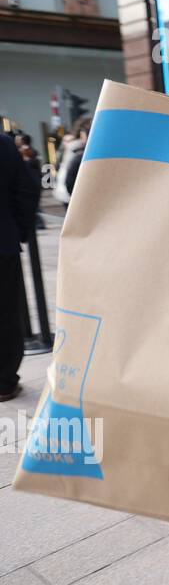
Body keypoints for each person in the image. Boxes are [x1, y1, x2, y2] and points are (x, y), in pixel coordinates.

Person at [2, 132, 40, 401]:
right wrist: (19, 229)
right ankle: (4, 382)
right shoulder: (3, 144)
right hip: (1, 243)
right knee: (5, 313)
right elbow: (27, 188)